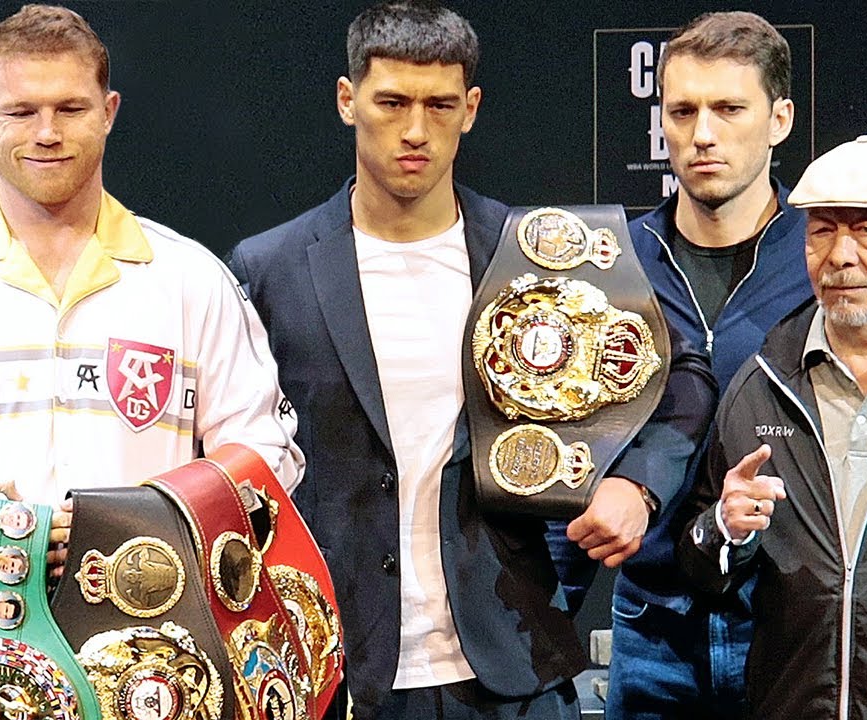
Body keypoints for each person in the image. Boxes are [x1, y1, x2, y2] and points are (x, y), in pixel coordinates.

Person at [229, 3, 713, 718]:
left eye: (440, 104)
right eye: (391, 102)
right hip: (334, 667)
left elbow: (683, 371)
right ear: (347, 100)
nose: (416, 130)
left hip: (510, 660)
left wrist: (637, 487)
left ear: (472, 108)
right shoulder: (269, 269)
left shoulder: (538, 253)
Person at [0, 3, 300, 597]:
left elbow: (269, 454)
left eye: (70, 108)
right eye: (22, 111)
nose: (47, 133)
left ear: (108, 112)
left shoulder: (190, 280)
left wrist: (158, 525)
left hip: (155, 653)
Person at [599, 12, 811, 719]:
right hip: (650, 627)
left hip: (791, 623)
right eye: (682, 111)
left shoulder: (826, 263)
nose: (702, 134)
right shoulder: (615, 266)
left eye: (729, 109)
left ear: (779, 119)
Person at [678, 133, 867, 720]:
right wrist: (724, 527)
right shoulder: (762, 383)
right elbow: (701, 568)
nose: (840, 256)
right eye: (822, 230)